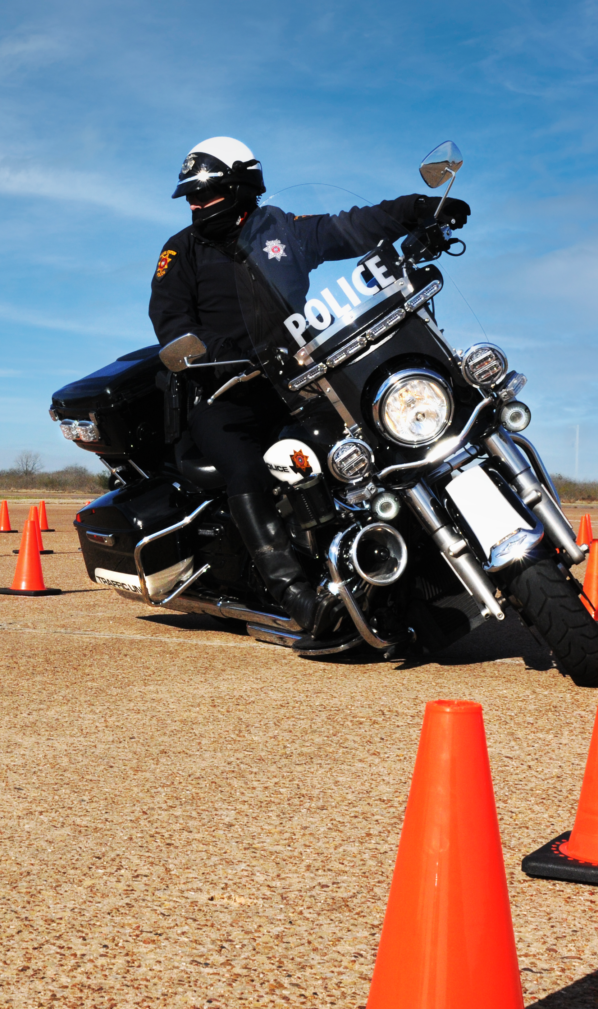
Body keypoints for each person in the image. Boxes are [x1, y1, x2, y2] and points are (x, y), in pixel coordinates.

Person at [148, 137, 470, 636]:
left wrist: (419, 209)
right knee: (248, 470)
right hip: (223, 393)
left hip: (295, 383)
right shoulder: (181, 250)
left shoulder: (280, 229)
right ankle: (296, 595)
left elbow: (349, 226)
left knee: (367, 456)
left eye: (203, 191)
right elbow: (169, 319)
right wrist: (212, 354)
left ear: (238, 186)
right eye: (189, 194)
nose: (194, 202)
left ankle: (404, 595)